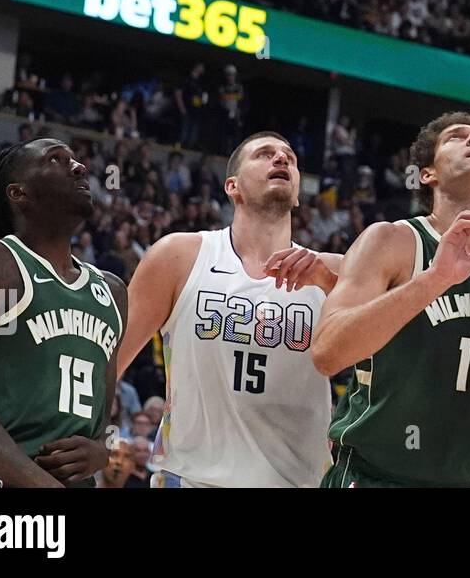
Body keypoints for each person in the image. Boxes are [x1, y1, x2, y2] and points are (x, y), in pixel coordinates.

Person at [116, 132, 337, 487]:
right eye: (264, 154)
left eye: (290, 158)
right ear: (232, 186)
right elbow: (111, 360)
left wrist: (333, 285)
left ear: (297, 194)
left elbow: (381, 363)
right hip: (191, 478)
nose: (281, 159)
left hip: (298, 481)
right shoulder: (178, 256)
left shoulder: (333, 272)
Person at [314, 113, 470, 487]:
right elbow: (328, 351)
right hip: (378, 476)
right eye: (457, 137)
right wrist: (433, 280)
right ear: (428, 174)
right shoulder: (392, 240)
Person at [0, 139, 127, 487]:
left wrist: (102, 449)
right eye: (56, 160)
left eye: (75, 158)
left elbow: (101, 416)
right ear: (18, 193)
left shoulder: (112, 290)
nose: (79, 167)